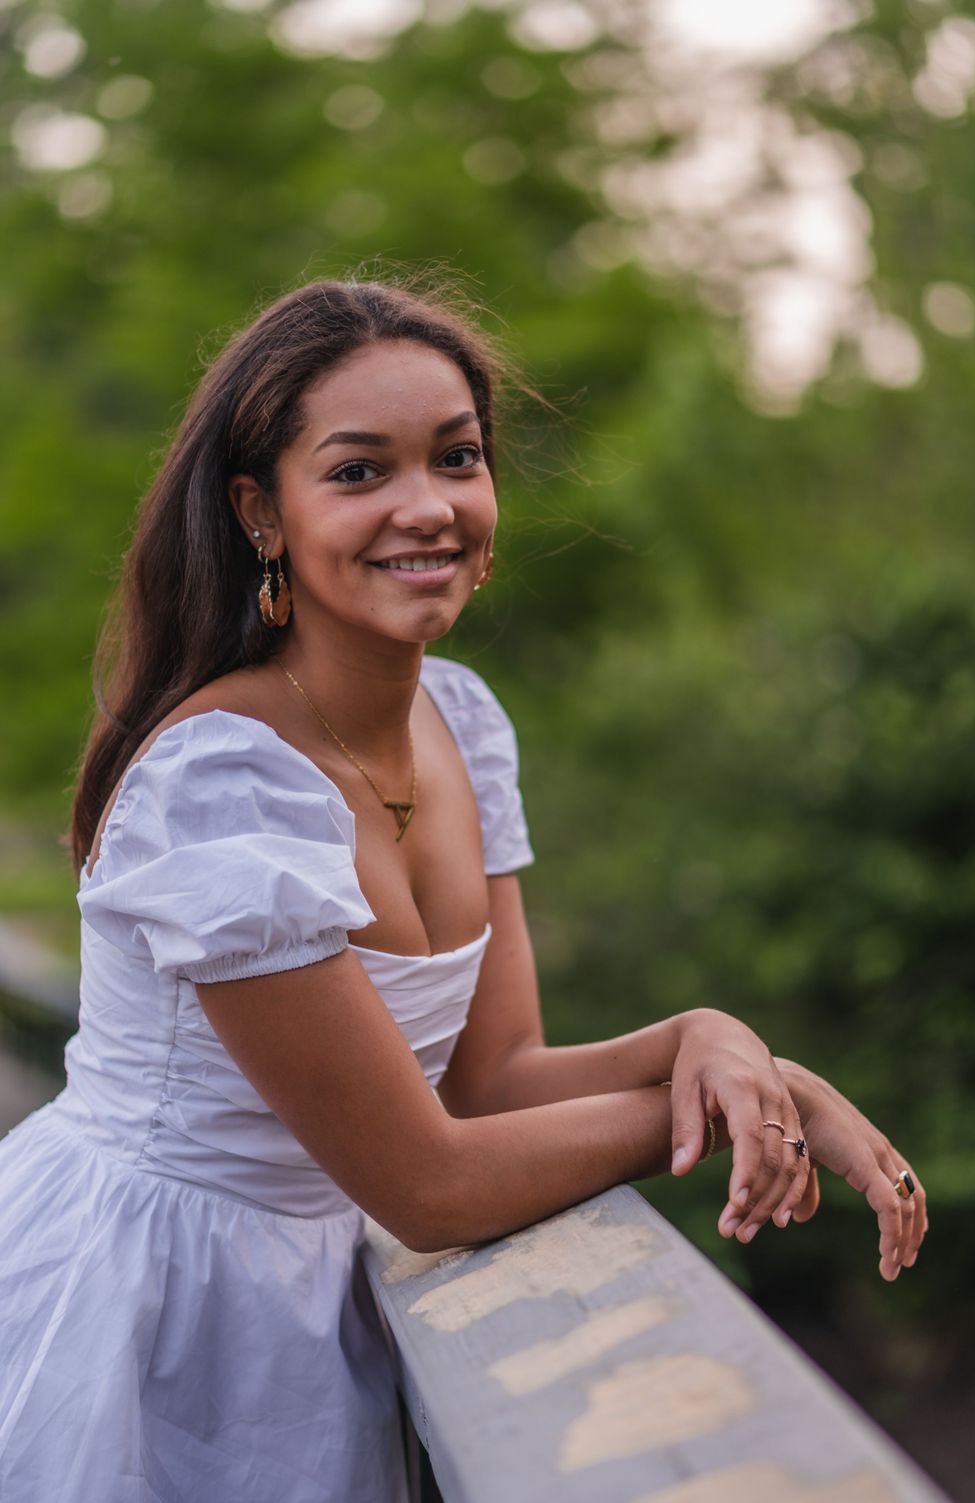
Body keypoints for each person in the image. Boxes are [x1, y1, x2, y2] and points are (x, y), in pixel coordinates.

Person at [0, 279, 925, 1502]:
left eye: (457, 457)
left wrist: (709, 1041)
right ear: (257, 511)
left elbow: (491, 1079)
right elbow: (428, 1184)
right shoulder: (221, 783)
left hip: (313, 1305)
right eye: (357, 472)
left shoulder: (464, 724)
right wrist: (759, 1109)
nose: (425, 507)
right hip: (155, 1308)